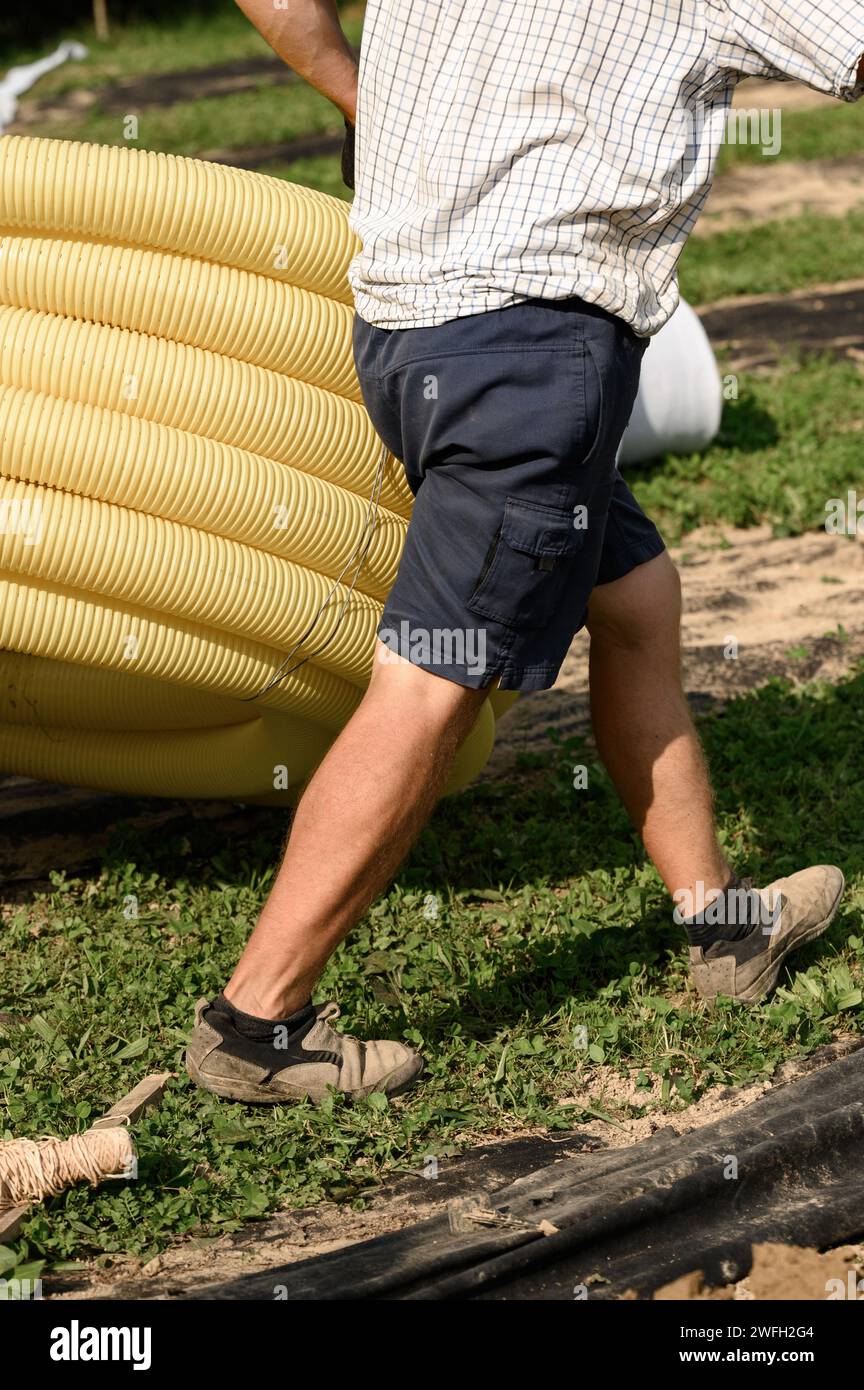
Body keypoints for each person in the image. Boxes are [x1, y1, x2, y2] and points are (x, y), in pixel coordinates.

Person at [186, 1, 863, 1104]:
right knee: (431, 686)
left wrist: (360, 91)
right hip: (534, 351)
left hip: (409, 333)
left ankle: (722, 926)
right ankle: (255, 1021)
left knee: (636, 593)